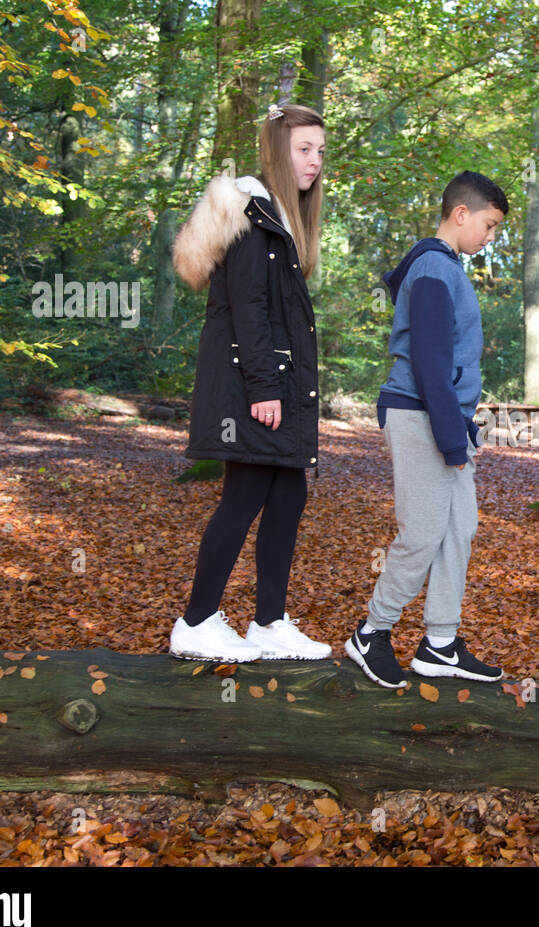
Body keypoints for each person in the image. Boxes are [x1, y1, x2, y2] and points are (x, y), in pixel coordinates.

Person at [167, 103, 329, 662]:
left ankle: (268, 621)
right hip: (251, 389)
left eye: (320, 151)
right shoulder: (251, 212)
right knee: (244, 495)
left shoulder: (279, 217)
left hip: (273, 385)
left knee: (289, 493)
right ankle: (196, 620)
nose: (314, 161)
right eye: (304, 149)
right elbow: (249, 310)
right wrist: (264, 390)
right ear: (278, 151)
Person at [346, 171, 509, 688]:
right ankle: (371, 632)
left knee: (459, 527)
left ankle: (440, 642)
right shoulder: (436, 268)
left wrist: (460, 429)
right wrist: (449, 438)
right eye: (489, 225)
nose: (490, 237)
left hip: (442, 417)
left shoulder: (447, 268)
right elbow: (430, 363)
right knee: (420, 534)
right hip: (419, 414)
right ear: (461, 214)